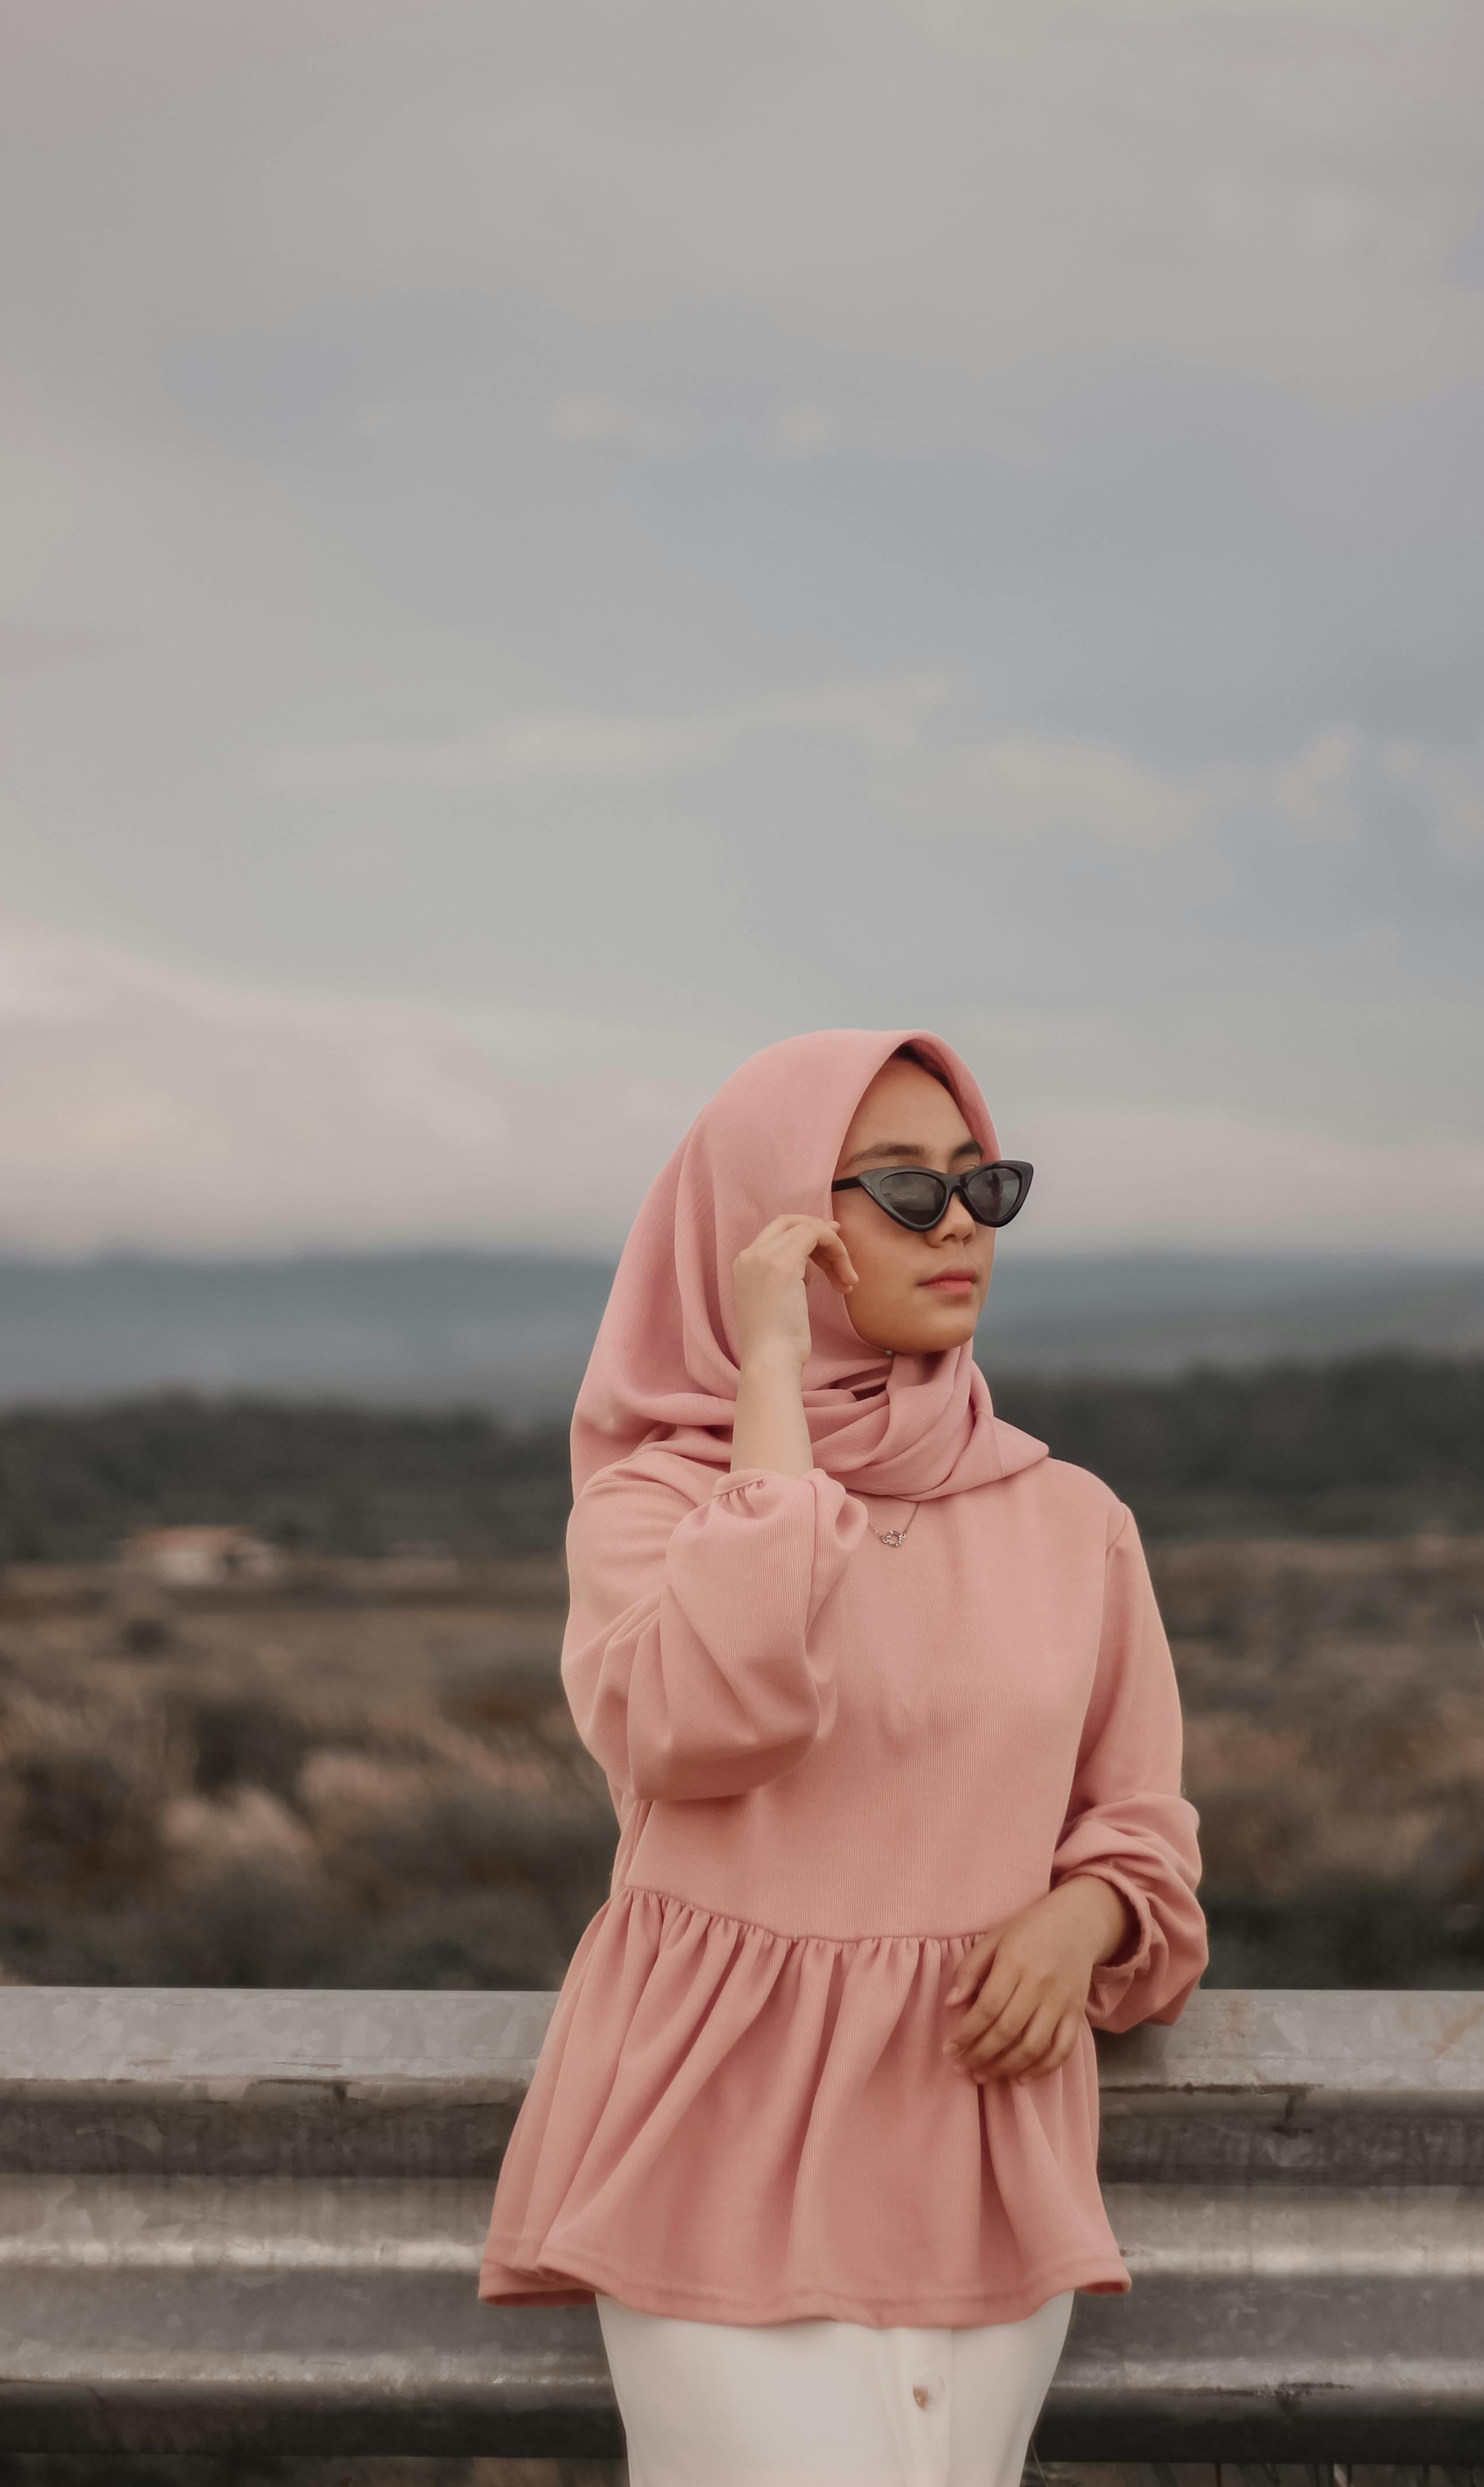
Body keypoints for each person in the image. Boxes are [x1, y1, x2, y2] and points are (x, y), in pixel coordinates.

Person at [479, 1027, 1206, 2487]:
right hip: (715, 2132)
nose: (960, 1228)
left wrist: (1085, 1916)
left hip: (980, 2143)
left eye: (983, 1187)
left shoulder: (1073, 1519)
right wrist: (771, 1381)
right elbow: (713, 1727)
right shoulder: (649, 1509)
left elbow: (1143, 1828)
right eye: (905, 1190)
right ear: (771, 1231)